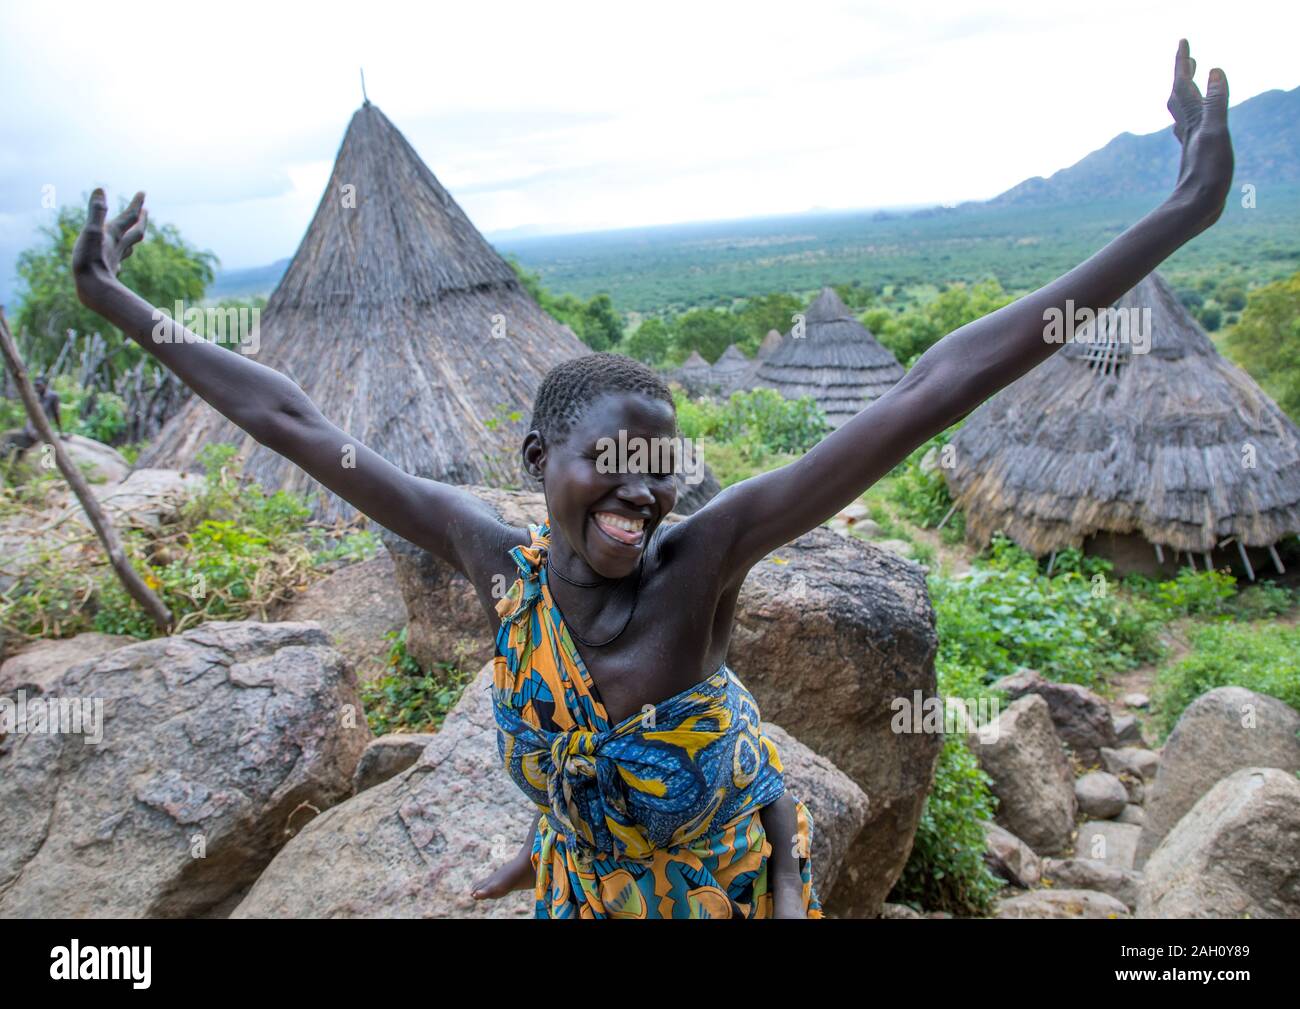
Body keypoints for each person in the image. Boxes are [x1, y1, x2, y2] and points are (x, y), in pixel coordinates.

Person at [70, 41, 1232, 918]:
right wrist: (118, 301)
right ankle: (567, 831)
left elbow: (924, 389)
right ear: (539, 464)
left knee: (745, 791)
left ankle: (776, 843)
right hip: (588, 883)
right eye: (614, 462)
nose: (643, 489)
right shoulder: (490, 561)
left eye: (662, 470)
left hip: (718, 883)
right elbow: (286, 412)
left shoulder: (701, 568)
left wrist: (1180, 211)